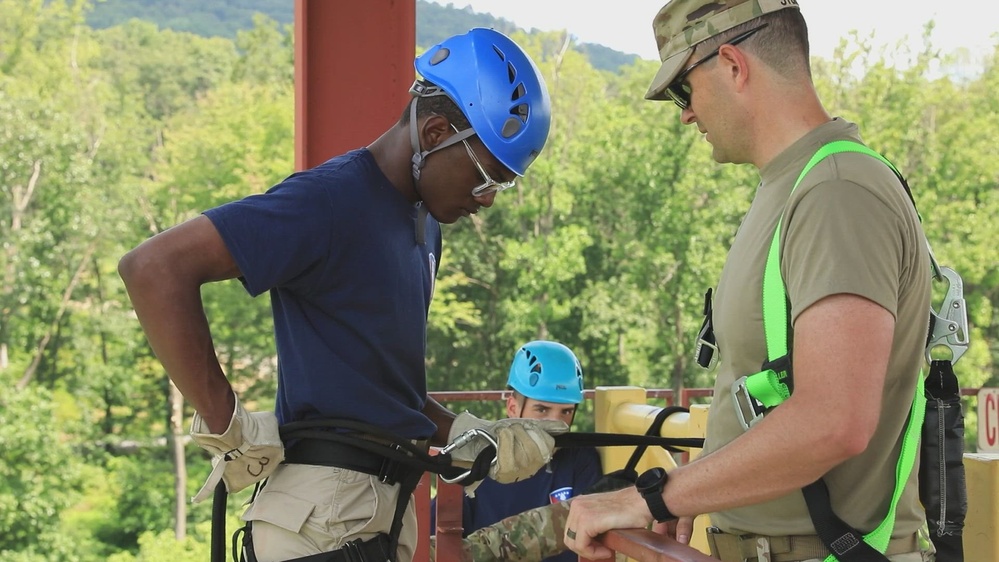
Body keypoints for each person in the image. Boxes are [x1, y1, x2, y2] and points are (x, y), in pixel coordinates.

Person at [118, 28, 570, 562]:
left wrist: (471, 435)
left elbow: (381, 387)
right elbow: (153, 268)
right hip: (322, 516)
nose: (489, 199)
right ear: (435, 131)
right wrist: (226, 422)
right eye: (486, 176)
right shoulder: (329, 201)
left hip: (383, 507)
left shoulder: (425, 227)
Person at [564, 2, 933, 562]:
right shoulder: (793, 186)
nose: (685, 115)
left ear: (733, 64)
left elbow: (833, 422)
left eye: (684, 91)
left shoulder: (836, 190)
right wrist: (705, 489)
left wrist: (654, 499)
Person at [430, 340, 603, 562]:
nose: (555, 422)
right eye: (542, 409)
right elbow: (435, 535)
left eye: (566, 412)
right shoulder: (479, 462)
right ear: (513, 408)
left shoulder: (581, 461)